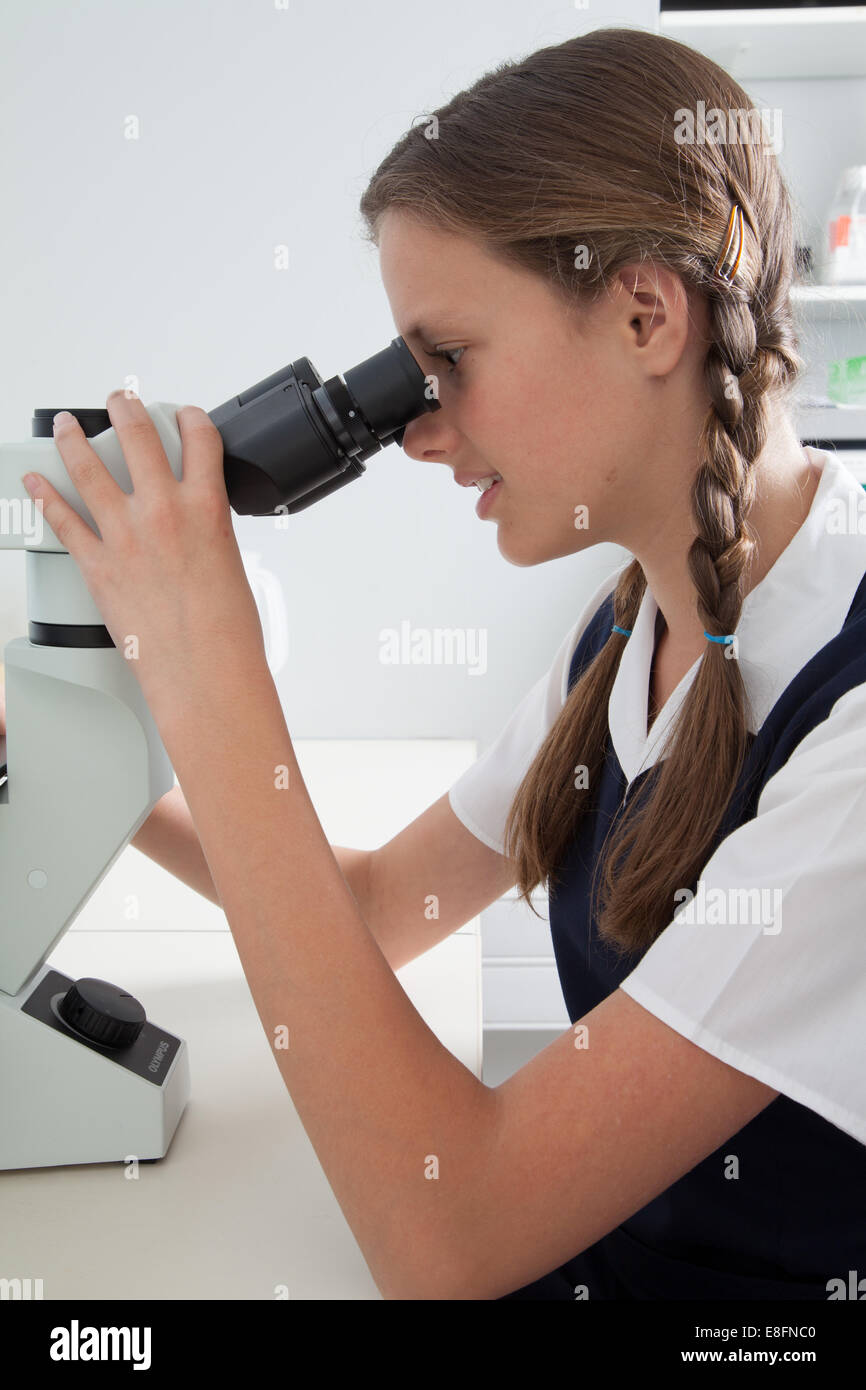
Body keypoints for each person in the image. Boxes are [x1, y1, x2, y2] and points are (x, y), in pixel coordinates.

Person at [21, 26, 865, 1300]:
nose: (417, 434)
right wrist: (94, 749)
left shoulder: (845, 724)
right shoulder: (622, 635)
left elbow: (448, 1240)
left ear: (644, 312)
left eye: (447, 361)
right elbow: (365, 908)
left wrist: (212, 668)